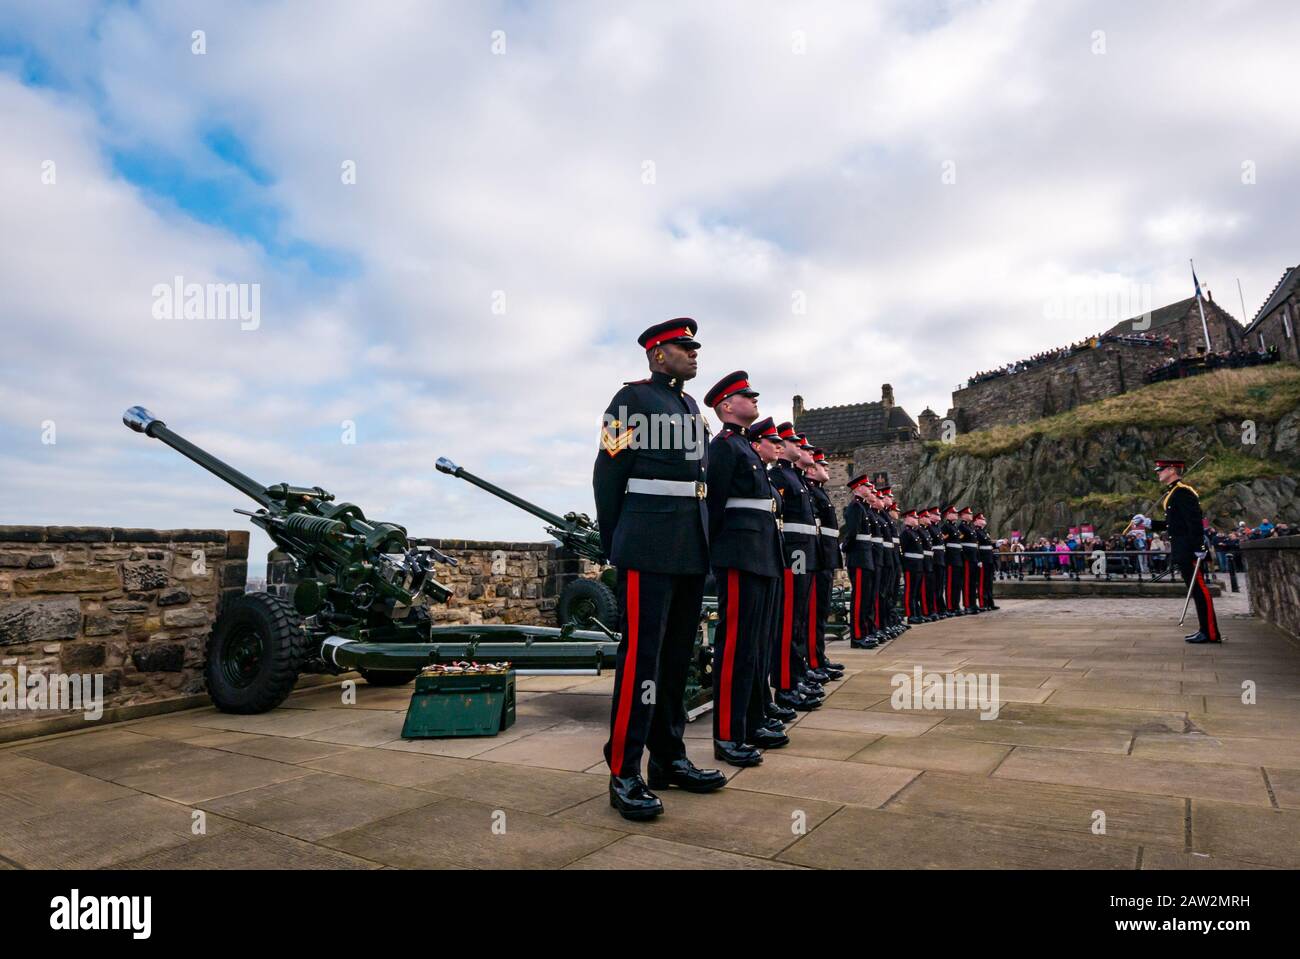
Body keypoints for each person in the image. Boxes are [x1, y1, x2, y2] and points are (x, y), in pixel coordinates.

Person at [593, 317, 725, 821]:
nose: (693, 354)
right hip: (647, 544)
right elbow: (608, 473)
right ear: (656, 354)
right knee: (640, 660)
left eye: (695, 347)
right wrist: (616, 541)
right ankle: (623, 770)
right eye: (682, 347)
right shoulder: (629, 402)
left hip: (690, 545)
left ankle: (668, 757)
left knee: (677, 658)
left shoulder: (691, 406)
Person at [702, 373, 787, 768]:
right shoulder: (723, 447)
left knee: (753, 646)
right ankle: (727, 734)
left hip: (761, 555)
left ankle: (751, 722)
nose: (754, 399)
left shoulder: (745, 448)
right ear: (725, 406)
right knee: (734, 648)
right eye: (745, 395)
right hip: (738, 556)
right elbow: (713, 506)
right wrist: (718, 553)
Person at [770, 423, 825, 710]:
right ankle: (786, 684)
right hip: (794, 554)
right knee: (790, 621)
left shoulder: (797, 478)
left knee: (799, 619)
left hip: (806, 552)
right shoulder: (779, 475)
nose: (803, 450)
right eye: (798, 445)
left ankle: (798, 675)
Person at [1148, 458, 1222, 644]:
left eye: (1161, 470)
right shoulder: (1174, 493)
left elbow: (1194, 522)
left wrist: (1199, 548)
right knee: (1195, 590)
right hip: (1183, 550)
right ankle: (1204, 629)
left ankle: (1211, 632)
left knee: (1200, 590)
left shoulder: (1182, 492)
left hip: (1189, 550)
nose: (1158, 472)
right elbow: (1173, 524)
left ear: (1172, 470)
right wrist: (1150, 524)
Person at [807, 448, 845, 681]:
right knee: (811, 614)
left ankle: (818, 658)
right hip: (814, 557)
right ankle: (812, 661)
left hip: (824, 558)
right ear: (812, 470)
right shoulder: (810, 492)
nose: (828, 469)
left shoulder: (819, 493)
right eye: (823, 466)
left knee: (820, 612)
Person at [840, 474, 879, 649]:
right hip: (858, 557)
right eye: (866, 486)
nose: (869, 489)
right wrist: (846, 549)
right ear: (857, 489)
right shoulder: (855, 507)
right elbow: (852, 534)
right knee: (859, 598)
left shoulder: (862, 507)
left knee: (866, 598)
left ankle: (863, 632)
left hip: (865, 557)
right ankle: (856, 635)